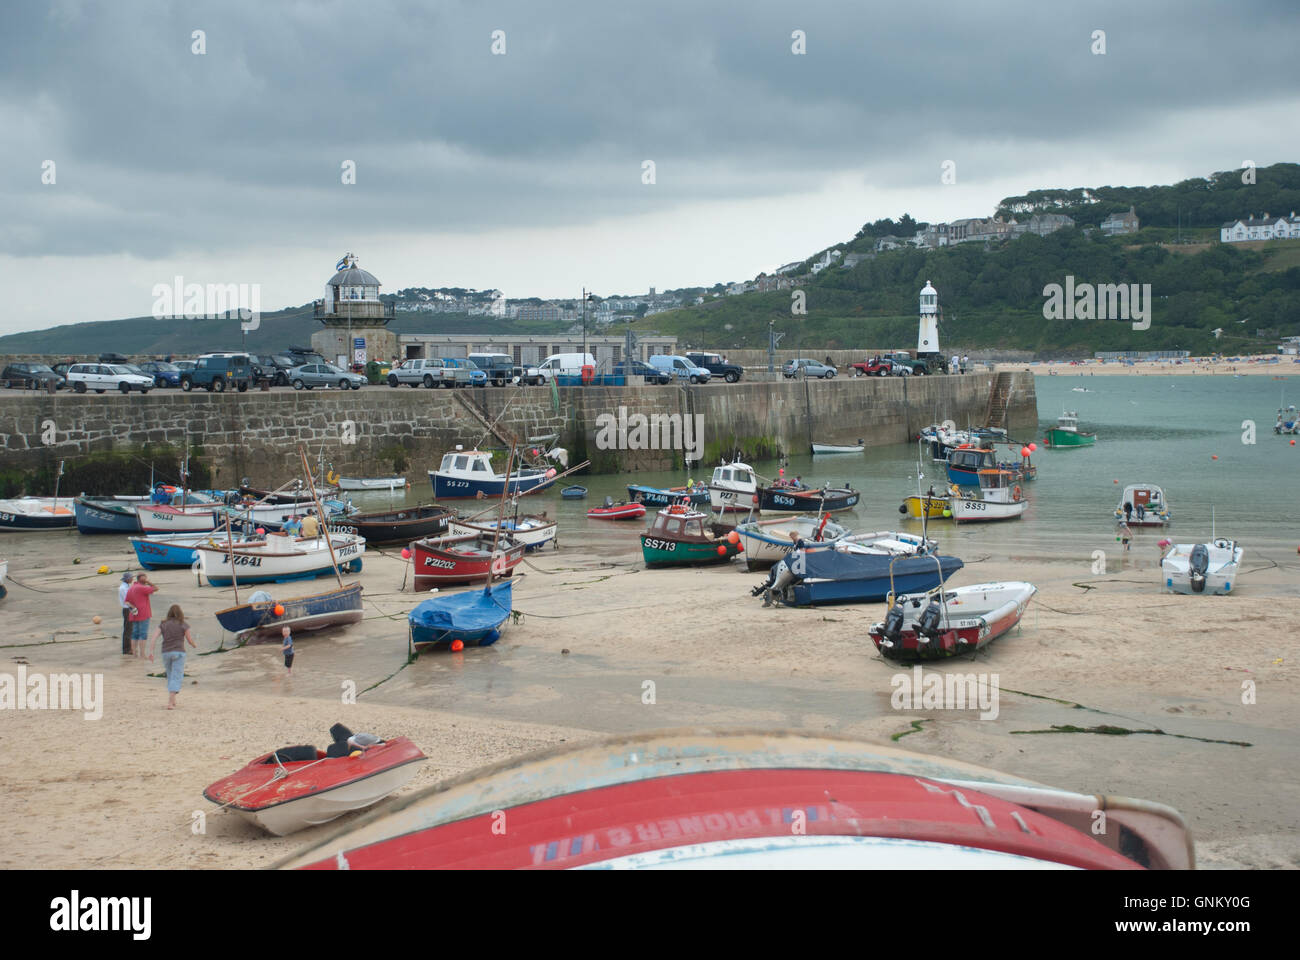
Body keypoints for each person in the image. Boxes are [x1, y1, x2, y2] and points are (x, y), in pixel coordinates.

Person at [148, 604, 196, 710]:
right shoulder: (183, 624)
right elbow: (189, 639)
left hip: (166, 652)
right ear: (180, 613)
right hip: (179, 653)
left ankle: (173, 700)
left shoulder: (163, 624)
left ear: (169, 613)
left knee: (170, 676)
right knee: (176, 676)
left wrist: (151, 652)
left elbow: (154, 638)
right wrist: (193, 645)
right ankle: (170, 702)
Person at [124, 573, 158, 658]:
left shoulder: (131, 588)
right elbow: (156, 588)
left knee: (134, 633)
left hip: (134, 613)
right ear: (142, 579)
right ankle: (142, 654)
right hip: (144, 613)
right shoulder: (142, 587)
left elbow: (126, 601)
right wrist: (149, 582)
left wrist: (133, 608)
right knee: (143, 633)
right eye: (145, 578)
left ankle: (135, 653)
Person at [118, 573, 133, 655]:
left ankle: (129, 647)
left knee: (130, 629)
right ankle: (127, 649)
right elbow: (127, 600)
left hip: (129, 608)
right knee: (128, 629)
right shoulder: (123, 588)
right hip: (127, 609)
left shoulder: (126, 586)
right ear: (127, 579)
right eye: (131, 578)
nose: (132, 579)